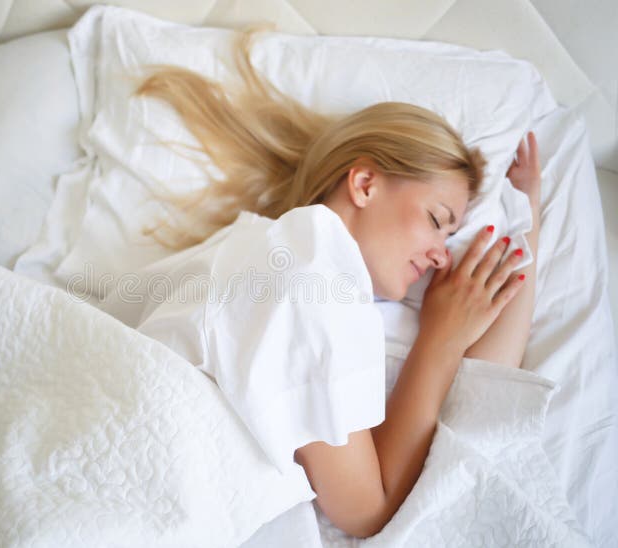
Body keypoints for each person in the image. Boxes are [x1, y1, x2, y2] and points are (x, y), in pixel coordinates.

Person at [98, 29, 542, 538]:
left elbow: (482, 390)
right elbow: (366, 512)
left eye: (453, 234)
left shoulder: (276, 251)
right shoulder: (312, 276)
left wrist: (526, 210)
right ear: (365, 183)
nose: (444, 253)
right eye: (437, 218)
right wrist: (438, 338)